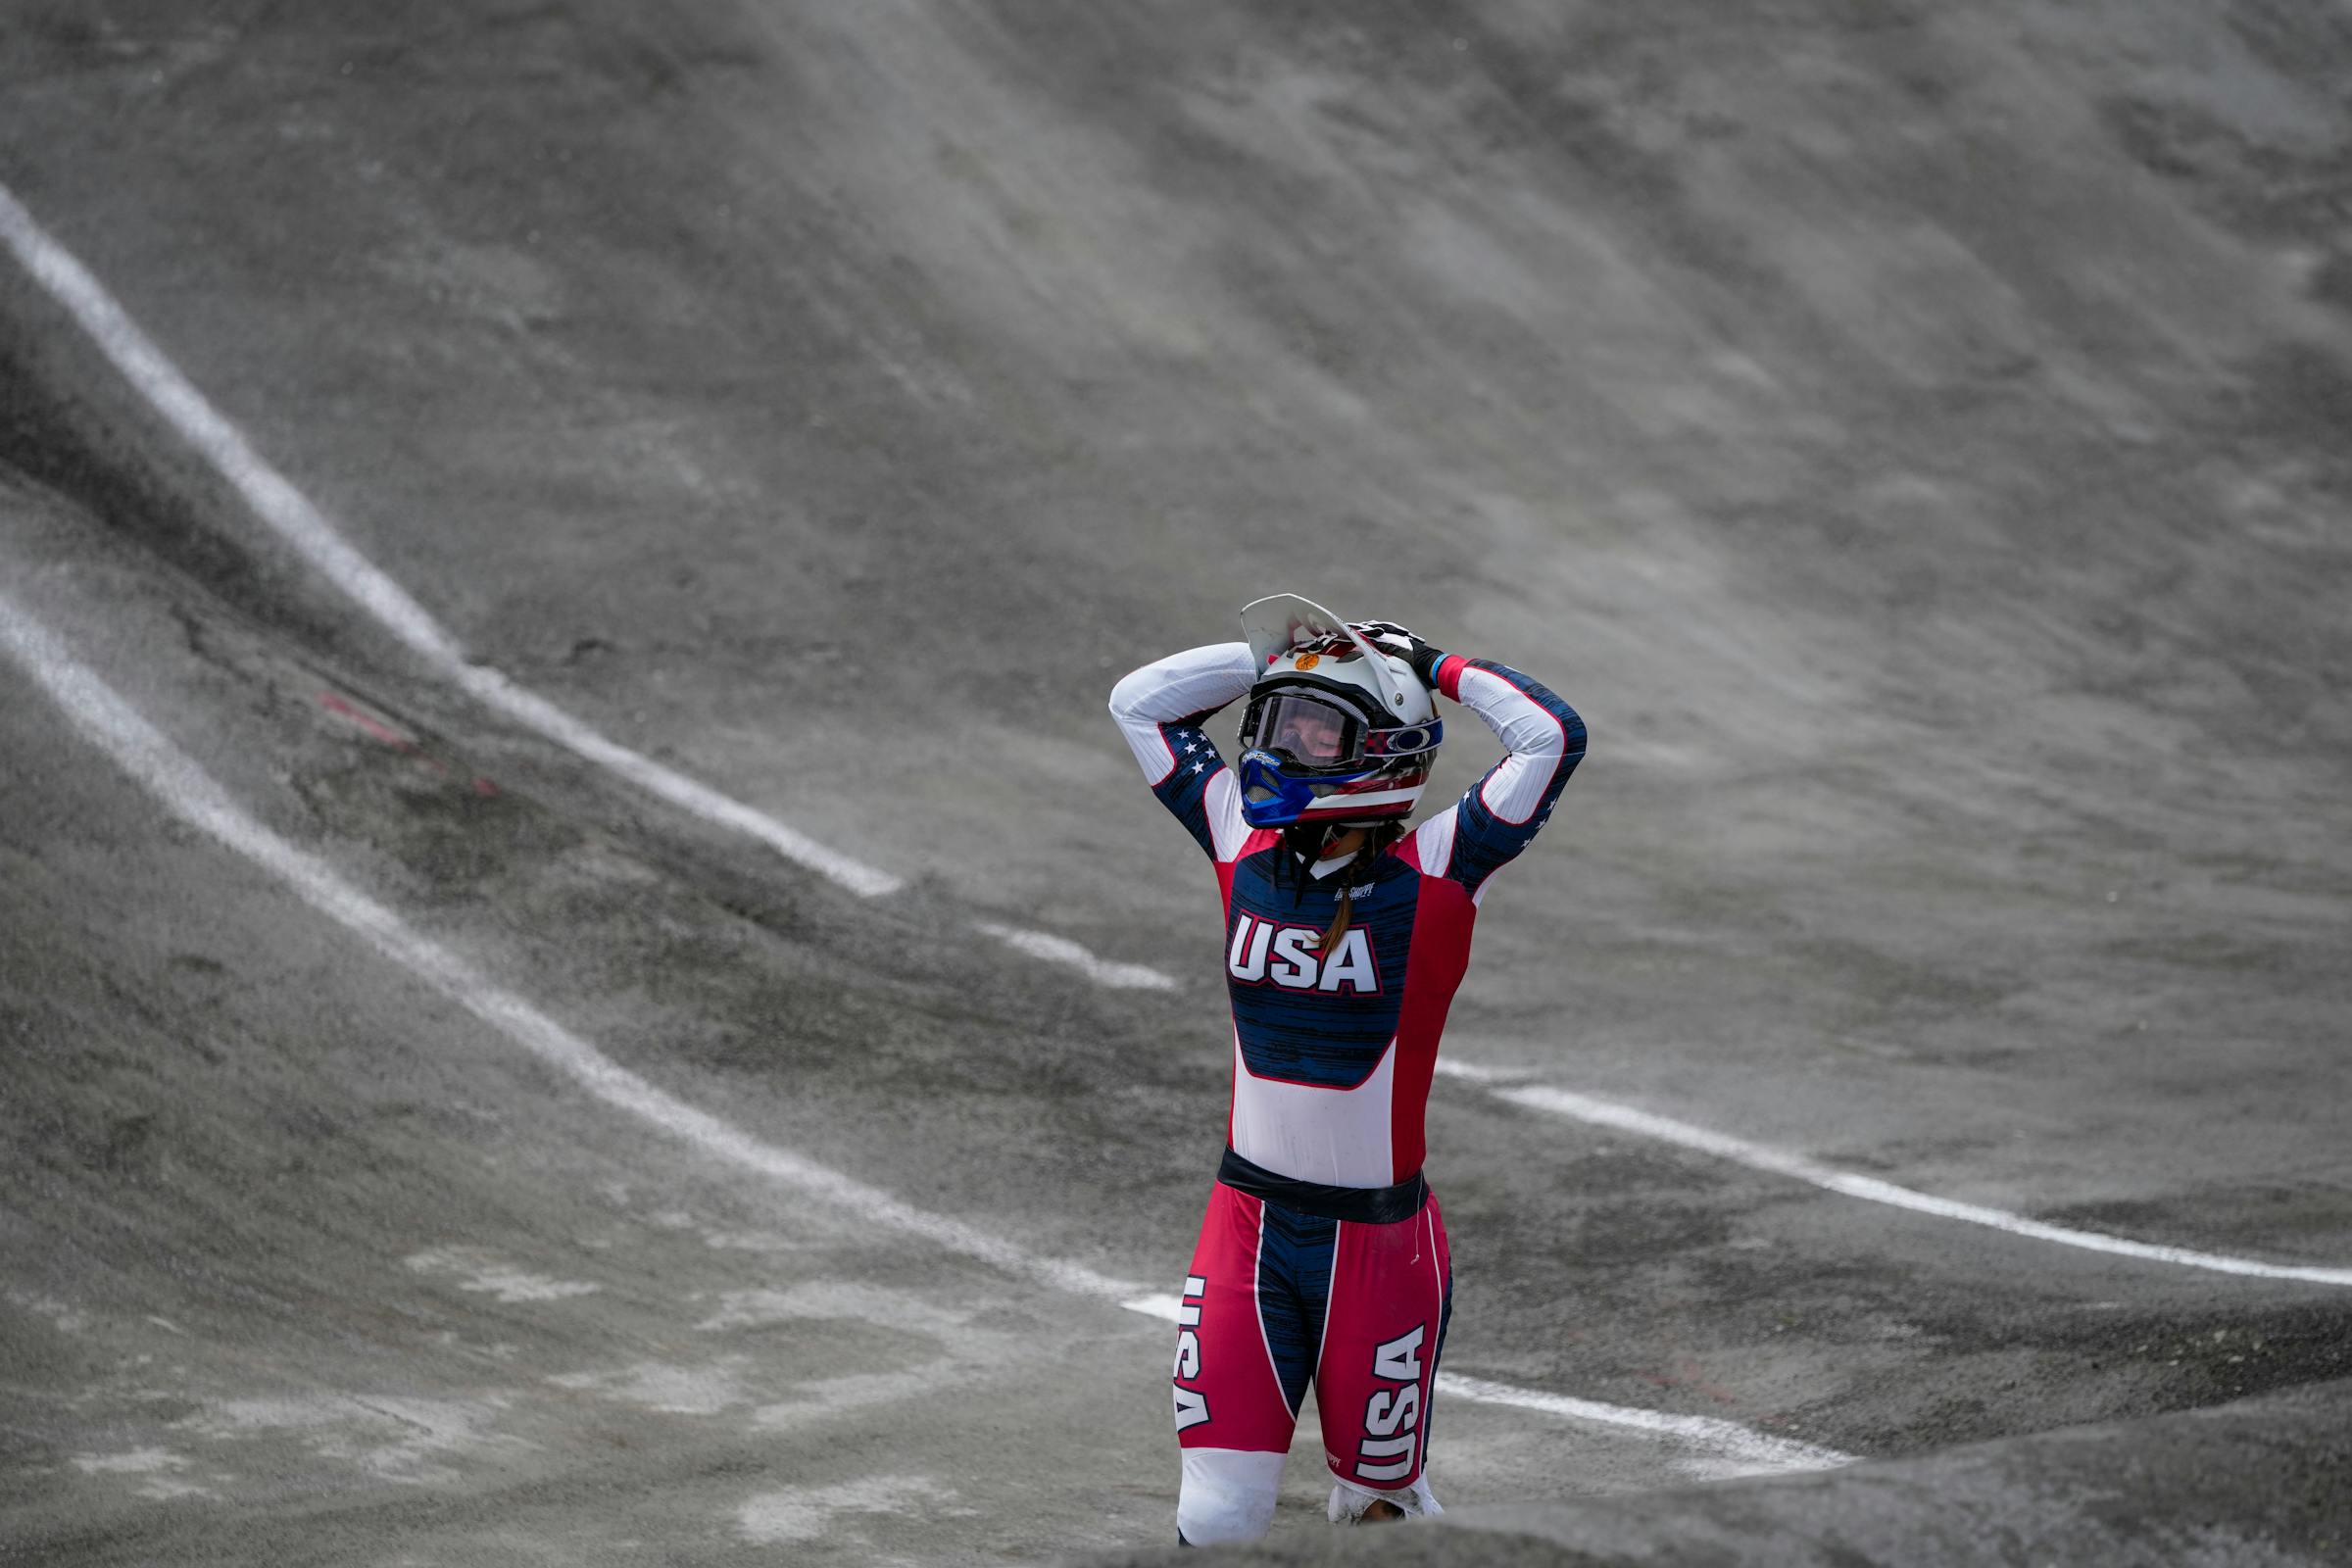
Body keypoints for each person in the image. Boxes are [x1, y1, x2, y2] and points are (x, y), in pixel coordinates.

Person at [1107, 601, 1586, 1545]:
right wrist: (1284, 657)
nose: (1280, 749)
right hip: (1244, 1227)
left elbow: (1552, 736)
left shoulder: (1441, 866)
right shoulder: (1239, 836)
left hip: (1379, 1249)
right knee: (1217, 1514)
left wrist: (1431, 664)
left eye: (1315, 732)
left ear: (1386, 754)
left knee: (1378, 1517)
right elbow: (1139, 703)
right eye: (1278, 722)